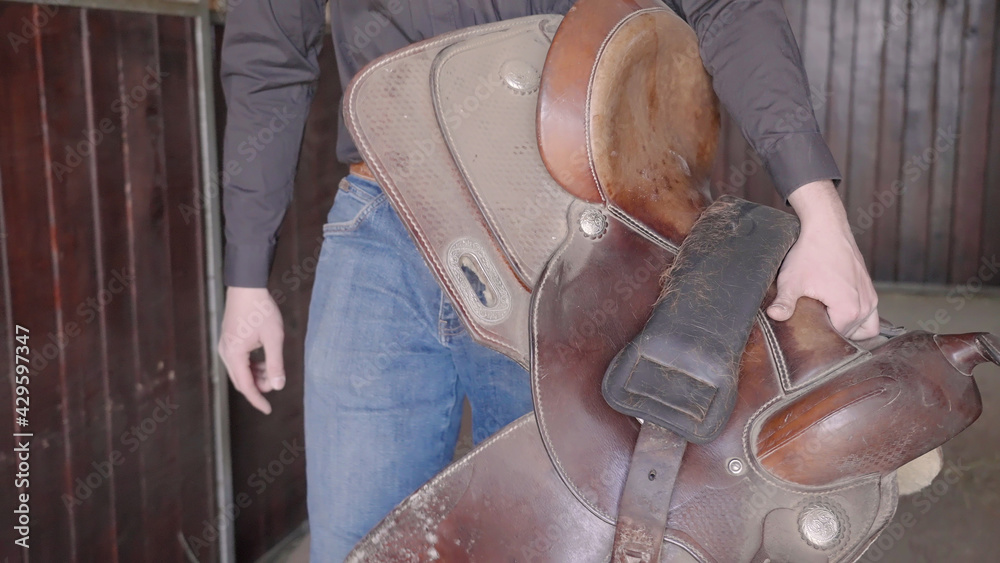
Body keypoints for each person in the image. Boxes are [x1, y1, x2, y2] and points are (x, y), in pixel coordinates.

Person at [217, 0, 880, 559]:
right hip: (383, 225)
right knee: (356, 543)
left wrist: (821, 213)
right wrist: (246, 278)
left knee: (570, 540)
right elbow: (270, 49)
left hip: (576, 240)